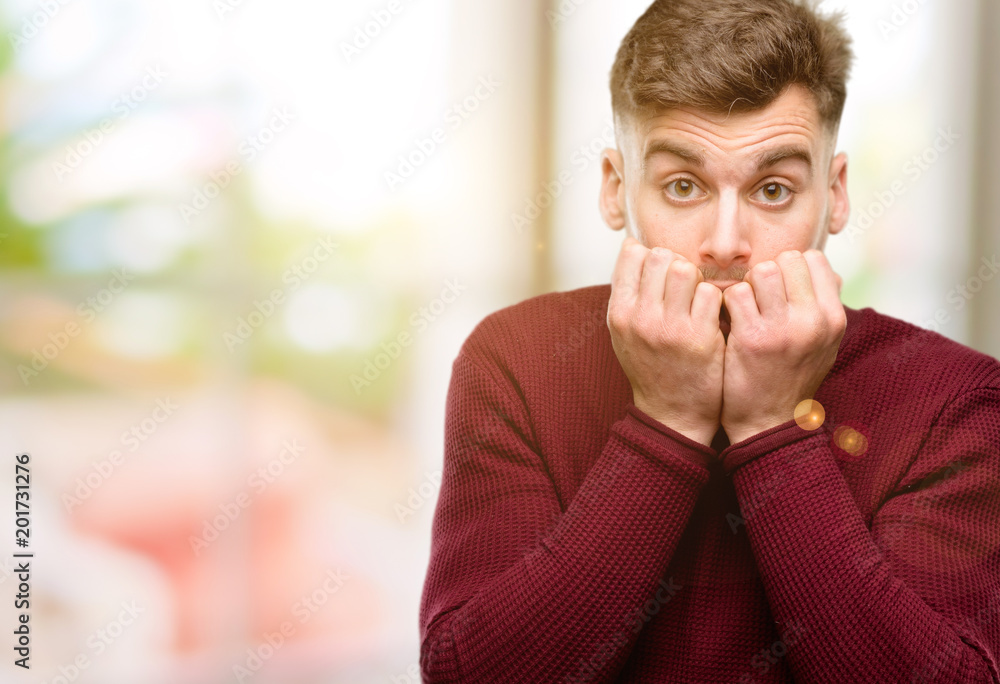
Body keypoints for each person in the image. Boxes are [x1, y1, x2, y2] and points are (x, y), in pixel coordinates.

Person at [419, 0, 1000, 681]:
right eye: (684, 185)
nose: (726, 244)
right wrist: (668, 419)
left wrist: (769, 425)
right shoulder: (516, 361)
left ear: (835, 195)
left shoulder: (956, 398)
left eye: (775, 189)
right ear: (616, 189)